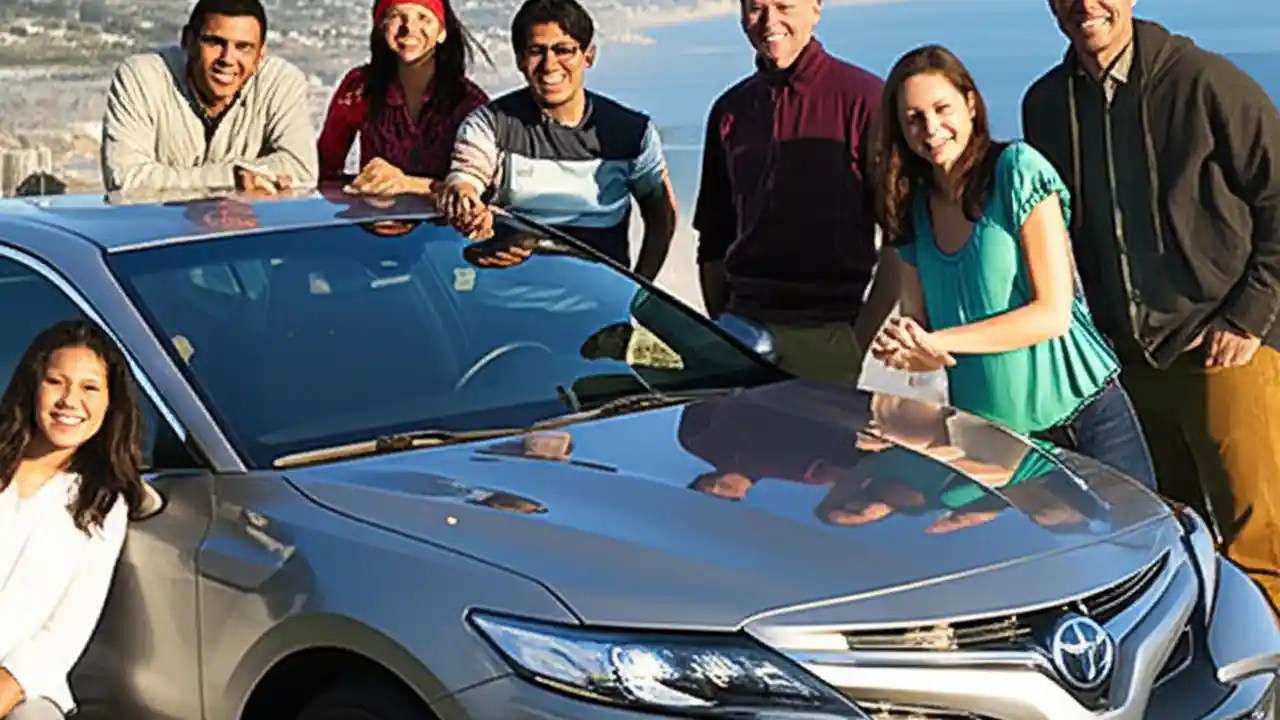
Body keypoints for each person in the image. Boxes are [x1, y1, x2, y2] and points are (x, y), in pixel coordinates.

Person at [1022, 0, 1280, 611]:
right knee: (1170, 545)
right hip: (1132, 366)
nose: (1086, 5)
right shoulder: (1047, 105)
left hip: (1226, 354)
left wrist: (1248, 315)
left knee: (1260, 547)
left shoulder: (1205, 82)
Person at [868, 44, 1156, 490]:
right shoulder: (913, 210)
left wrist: (936, 342)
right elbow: (920, 326)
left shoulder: (1017, 171)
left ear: (970, 104)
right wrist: (907, 349)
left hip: (1085, 424)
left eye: (942, 109)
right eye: (914, 119)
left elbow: (1052, 313)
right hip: (993, 442)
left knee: (1137, 533)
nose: (931, 129)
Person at [691, 0, 900, 389]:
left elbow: (899, 237)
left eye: (784, 5)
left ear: (815, 9)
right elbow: (714, 235)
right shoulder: (730, 110)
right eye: (756, 8)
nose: (770, 21)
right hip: (742, 328)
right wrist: (721, 325)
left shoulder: (865, 100)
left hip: (828, 332)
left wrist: (858, 340)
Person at [437, 0, 677, 281]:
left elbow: (662, 216)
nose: (549, 64)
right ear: (519, 59)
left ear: (588, 56)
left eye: (563, 50)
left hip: (598, 300)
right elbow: (466, 176)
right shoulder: (490, 124)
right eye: (536, 51)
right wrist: (465, 200)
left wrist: (639, 289)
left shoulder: (631, 132)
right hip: (505, 298)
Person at [0, 320, 145, 720]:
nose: (69, 401)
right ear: (34, 386)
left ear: (110, 402)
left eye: (89, 388)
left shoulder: (101, 503)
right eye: (56, 382)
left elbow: (65, 631)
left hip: (20, 688)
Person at [100, 0, 318, 194]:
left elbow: (302, 169)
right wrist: (235, 178)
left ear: (260, 54)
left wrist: (176, 181)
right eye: (214, 42)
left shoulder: (281, 83)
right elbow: (124, 180)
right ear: (188, 40)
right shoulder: (142, 78)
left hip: (246, 224)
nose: (227, 59)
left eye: (243, 47)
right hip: (161, 224)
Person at [317, 0, 491, 196]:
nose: (409, 28)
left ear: (442, 32)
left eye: (423, 18)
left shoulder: (468, 103)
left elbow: (486, 191)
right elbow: (324, 169)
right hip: (373, 214)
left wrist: (408, 184)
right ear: (382, 27)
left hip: (441, 215)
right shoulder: (359, 89)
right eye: (396, 16)